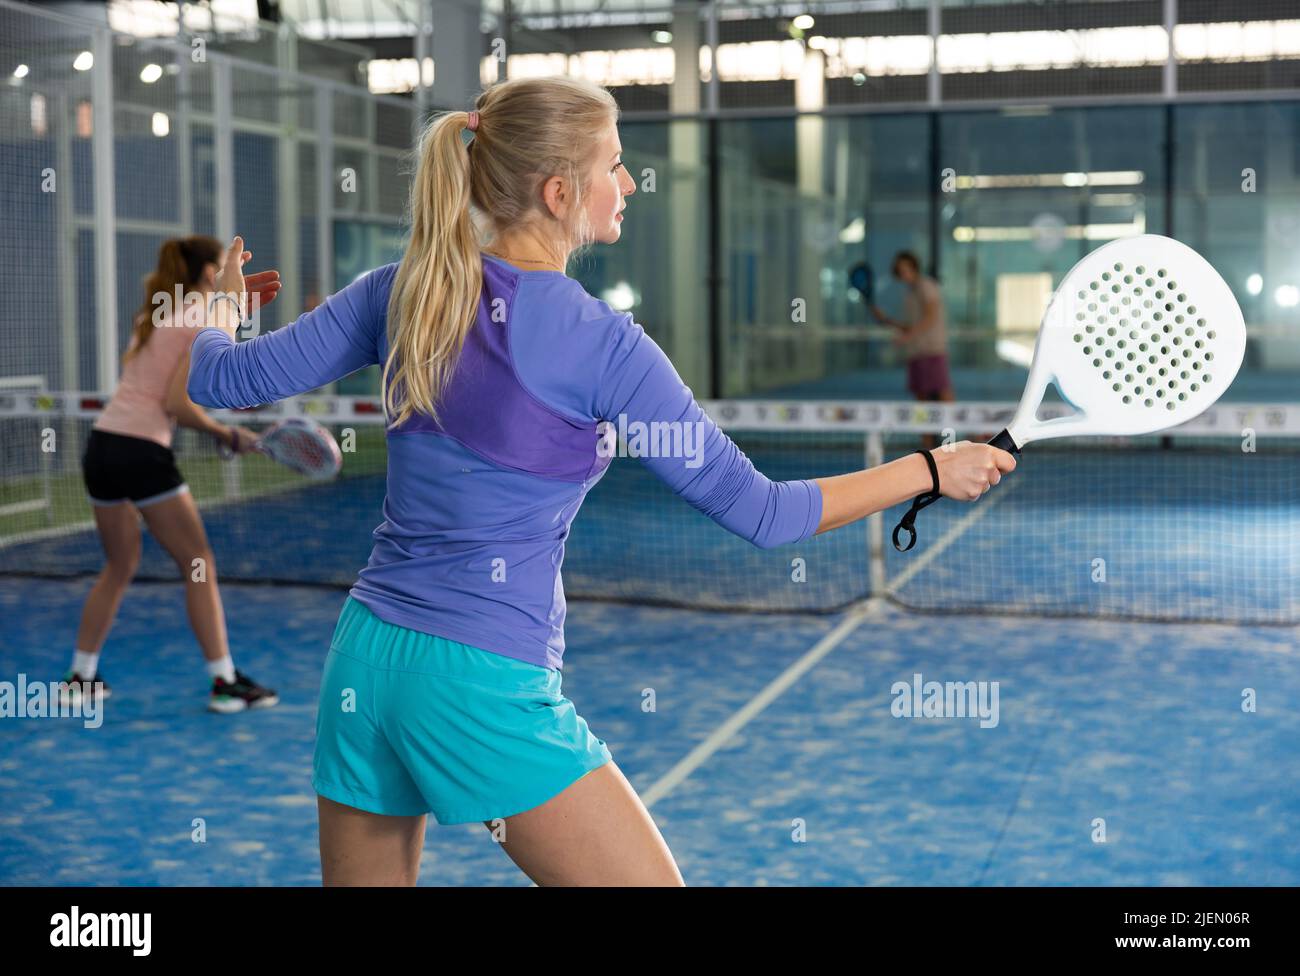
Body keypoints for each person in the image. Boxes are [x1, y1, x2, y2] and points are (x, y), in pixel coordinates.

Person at [188, 77, 1016, 886]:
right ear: (558, 193)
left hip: (364, 663)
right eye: (613, 165)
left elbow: (221, 380)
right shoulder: (604, 345)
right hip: (479, 680)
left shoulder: (398, 289)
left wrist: (218, 312)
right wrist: (931, 468)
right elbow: (763, 513)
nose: (628, 183)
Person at [65, 235, 282, 714]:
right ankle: (225, 682)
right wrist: (226, 434)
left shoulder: (155, 315)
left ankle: (80, 676)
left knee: (119, 565)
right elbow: (176, 405)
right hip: (141, 450)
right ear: (212, 273)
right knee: (198, 560)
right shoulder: (199, 319)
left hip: (102, 447)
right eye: (231, 267)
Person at [872, 251, 954, 404]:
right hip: (916, 353)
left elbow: (931, 316)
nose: (902, 272)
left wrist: (908, 337)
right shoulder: (909, 293)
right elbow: (910, 327)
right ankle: (925, 429)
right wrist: (886, 319)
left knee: (944, 396)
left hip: (932, 351)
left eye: (905, 268)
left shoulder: (926, 285)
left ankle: (955, 428)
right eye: (899, 269)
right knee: (921, 398)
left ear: (914, 267)